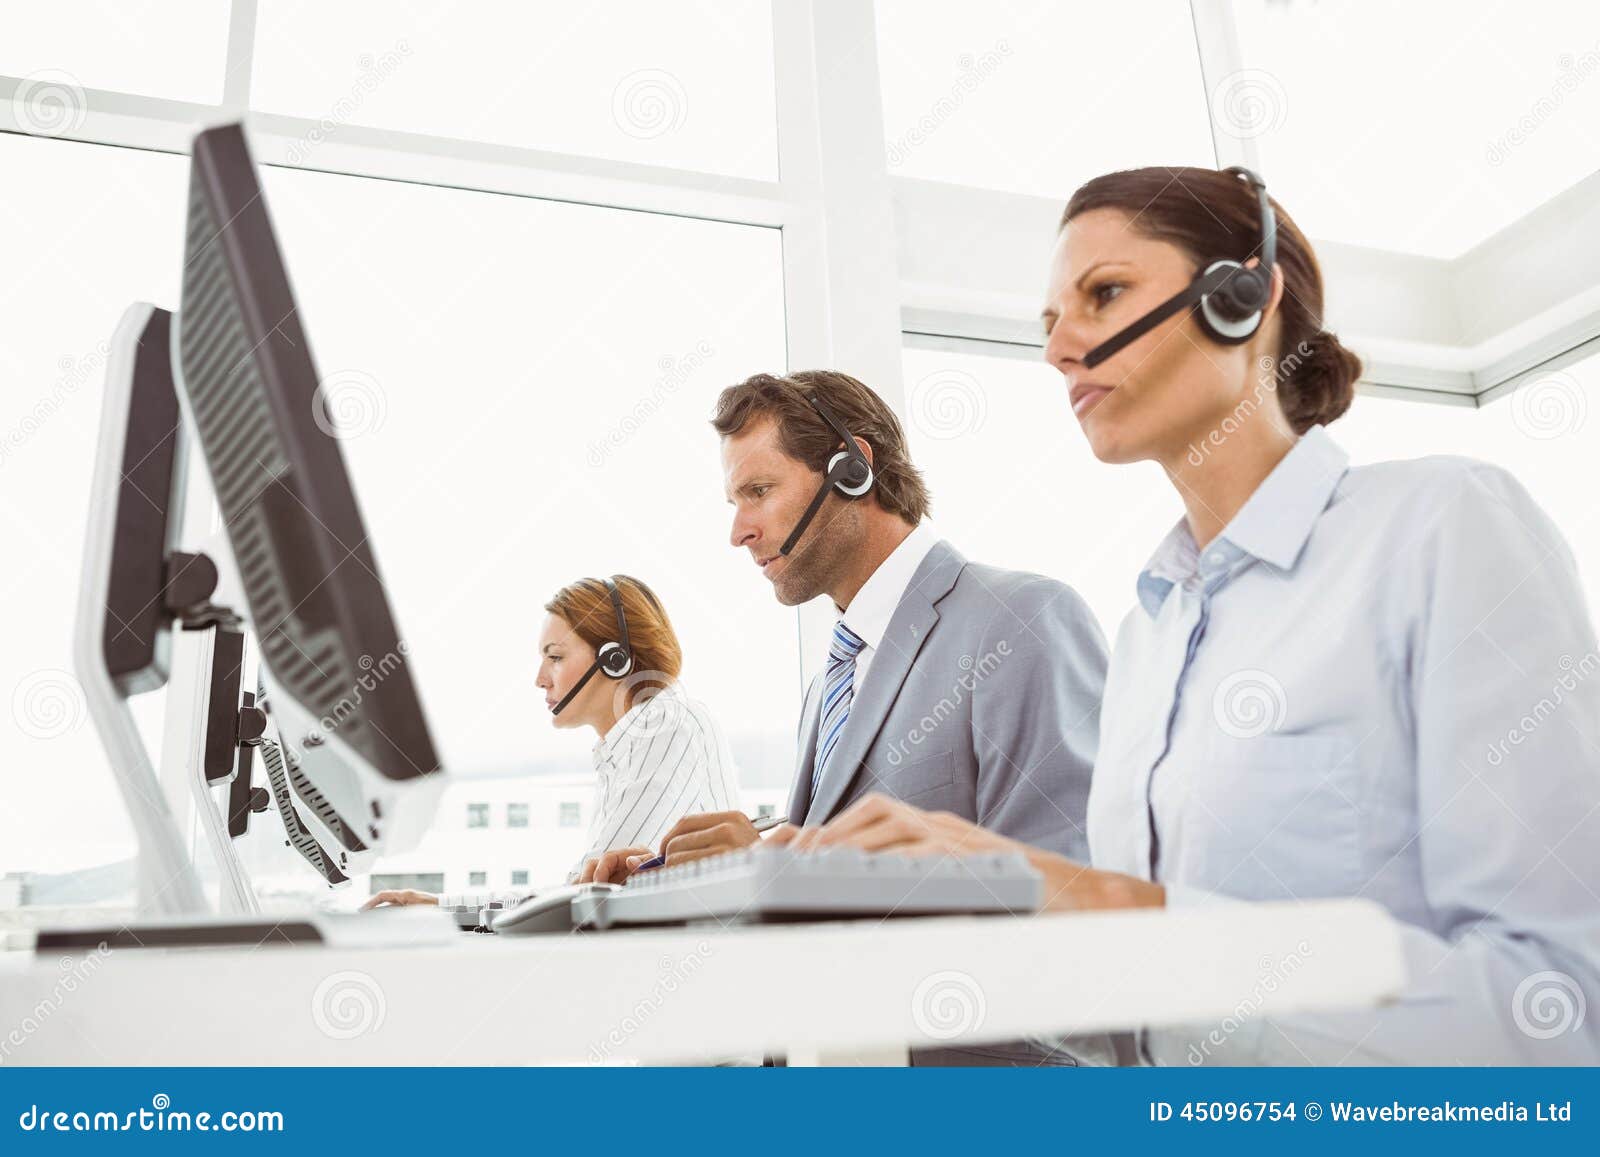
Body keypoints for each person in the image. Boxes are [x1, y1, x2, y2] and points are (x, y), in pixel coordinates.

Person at [788, 165, 1600, 1065]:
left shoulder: (1441, 527)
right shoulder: (1151, 631)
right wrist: (950, 918)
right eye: (1051, 322)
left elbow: (1558, 1005)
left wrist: (1103, 905)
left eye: (1105, 293)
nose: (1061, 349)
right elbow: (1145, 1021)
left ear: (1244, 298)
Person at [589, 370, 1110, 1066]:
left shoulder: (1022, 621)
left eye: (758, 491)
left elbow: (1072, 911)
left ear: (852, 468)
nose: (739, 529)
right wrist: (697, 890)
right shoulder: (833, 676)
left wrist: (789, 876)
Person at [364, 574, 738, 909]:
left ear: (615, 660)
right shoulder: (625, 750)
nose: (540, 679)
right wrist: (440, 905)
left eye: (555, 657)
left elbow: (589, 892)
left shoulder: (667, 724)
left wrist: (443, 907)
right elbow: (577, 890)